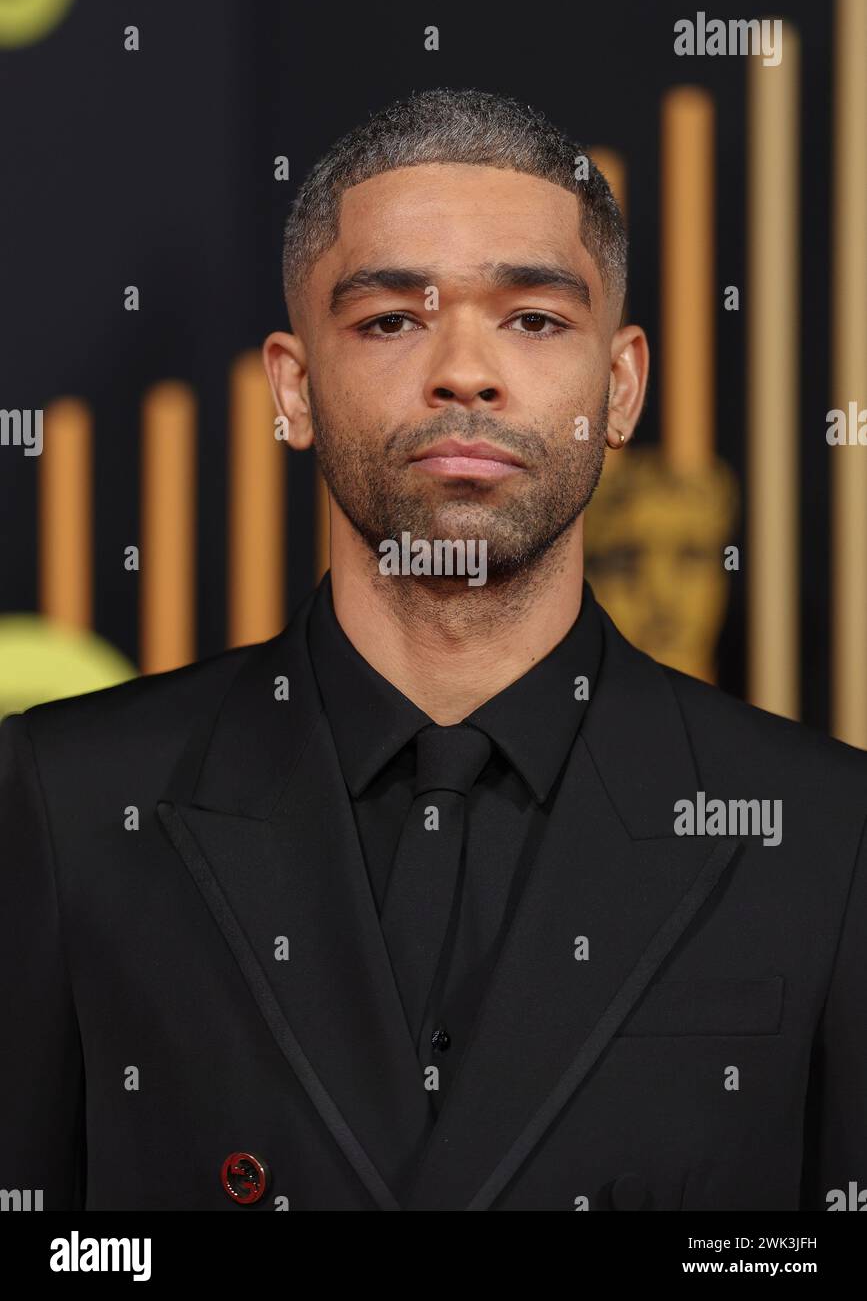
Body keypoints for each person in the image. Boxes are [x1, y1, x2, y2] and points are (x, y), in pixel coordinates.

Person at [1, 89, 865, 1212]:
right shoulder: (70, 801)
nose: (465, 371)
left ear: (620, 388)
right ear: (293, 388)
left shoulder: (830, 833)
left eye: (534, 319)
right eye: (391, 321)